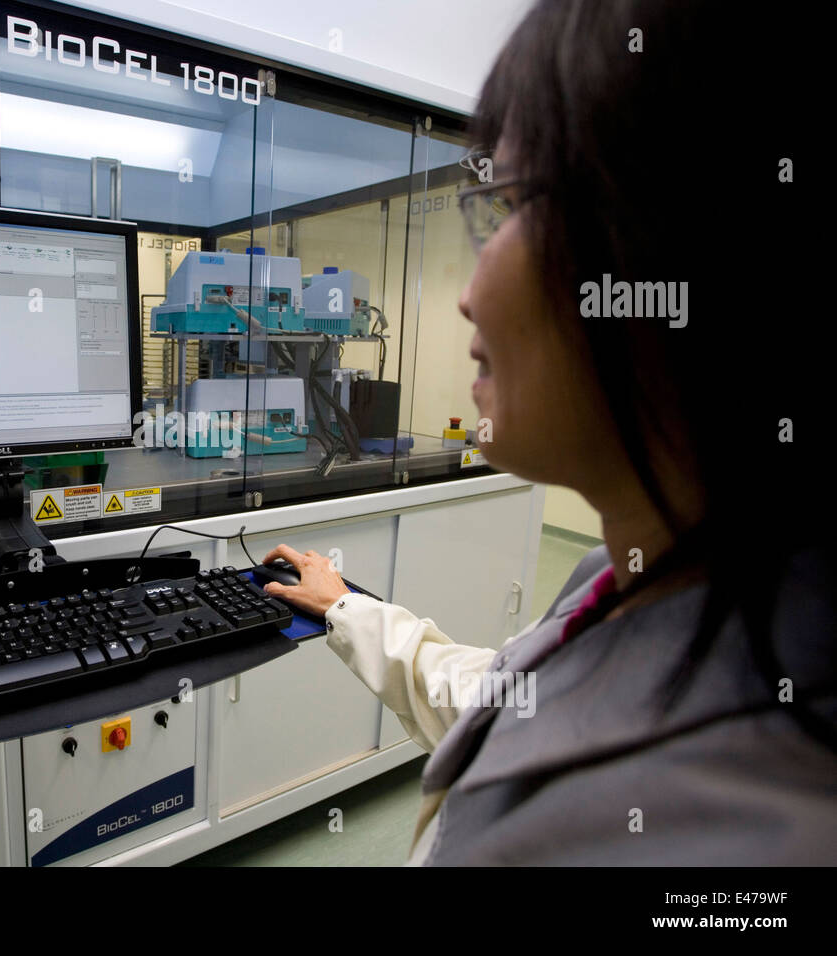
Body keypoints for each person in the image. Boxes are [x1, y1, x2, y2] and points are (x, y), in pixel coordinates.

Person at [259, 0, 835, 864]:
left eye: (506, 205)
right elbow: (507, 699)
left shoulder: (746, 822)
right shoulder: (638, 575)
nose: (466, 290)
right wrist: (348, 609)